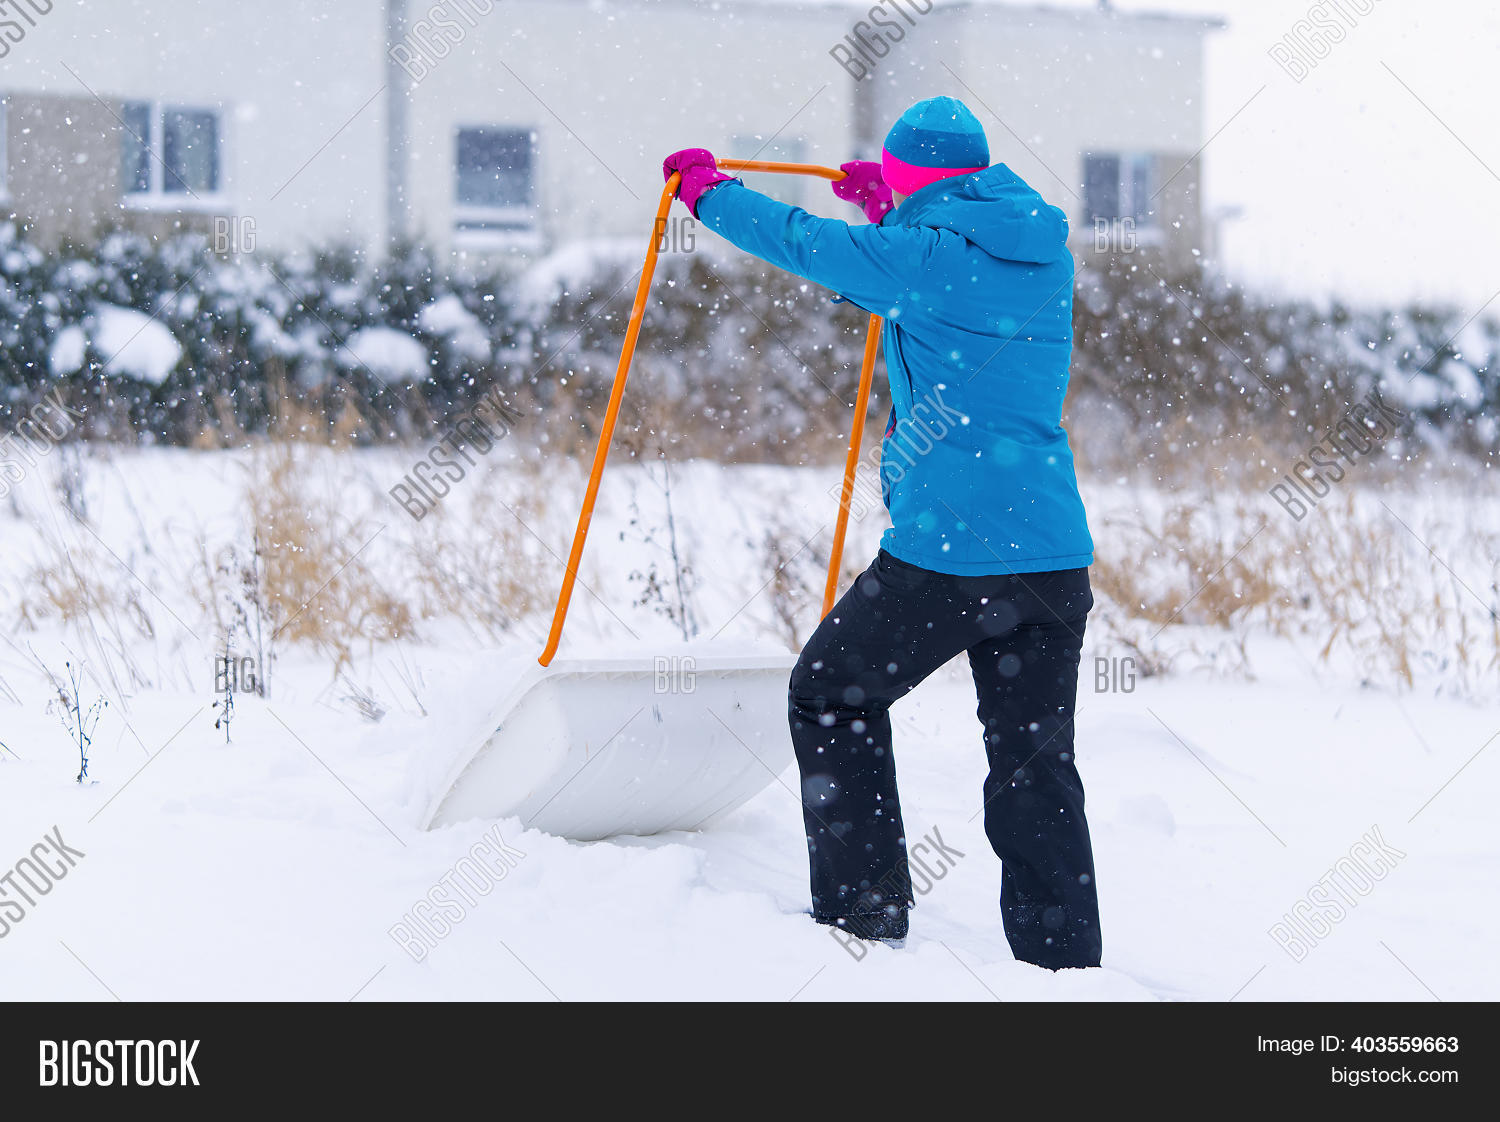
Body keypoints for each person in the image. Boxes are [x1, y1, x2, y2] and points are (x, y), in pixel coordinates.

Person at [663, 95, 1100, 969]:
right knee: (1034, 763)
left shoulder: (925, 256)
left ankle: (862, 921)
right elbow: (933, 266)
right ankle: (1062, 968)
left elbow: (806, 244)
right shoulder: (1039, 250)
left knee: (830, 693)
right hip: (1052, 559)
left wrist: (710, 196)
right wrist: (894, 210)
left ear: (915, 181)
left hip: (948, 557)